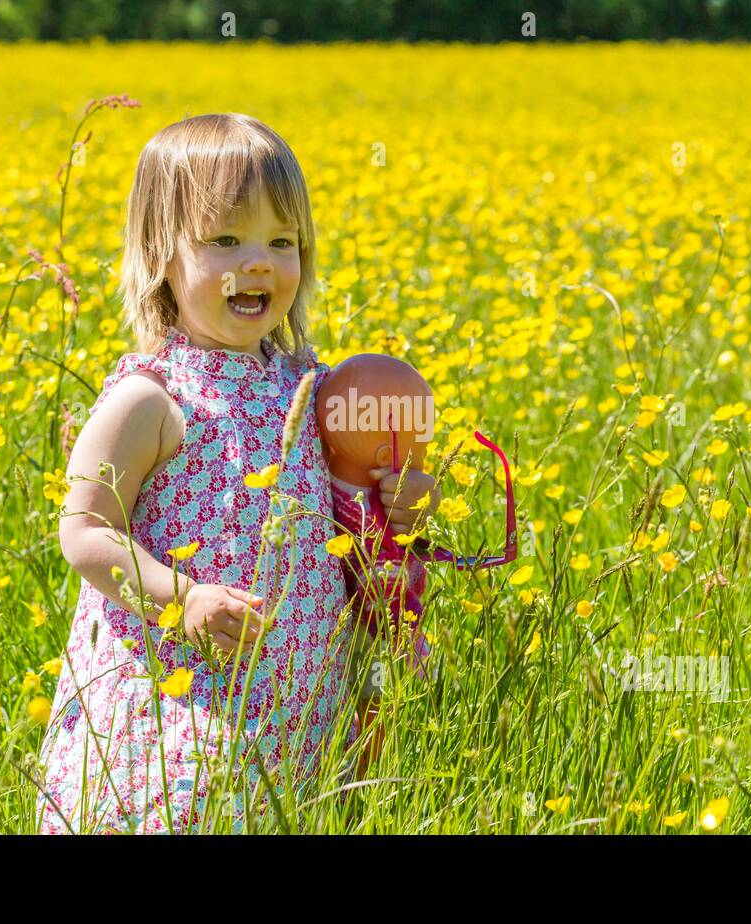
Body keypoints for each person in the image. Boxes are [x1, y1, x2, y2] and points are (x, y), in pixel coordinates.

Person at [36, 113, 437, 834]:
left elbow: (362, 505)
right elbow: (84, 531)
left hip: (299, 703)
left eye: (281, 242)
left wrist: (405, 503)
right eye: (226, 240)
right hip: (180, 702)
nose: (258, 263)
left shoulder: (316, 390)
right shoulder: (150, 397)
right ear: (162, 254)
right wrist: (179, 596)